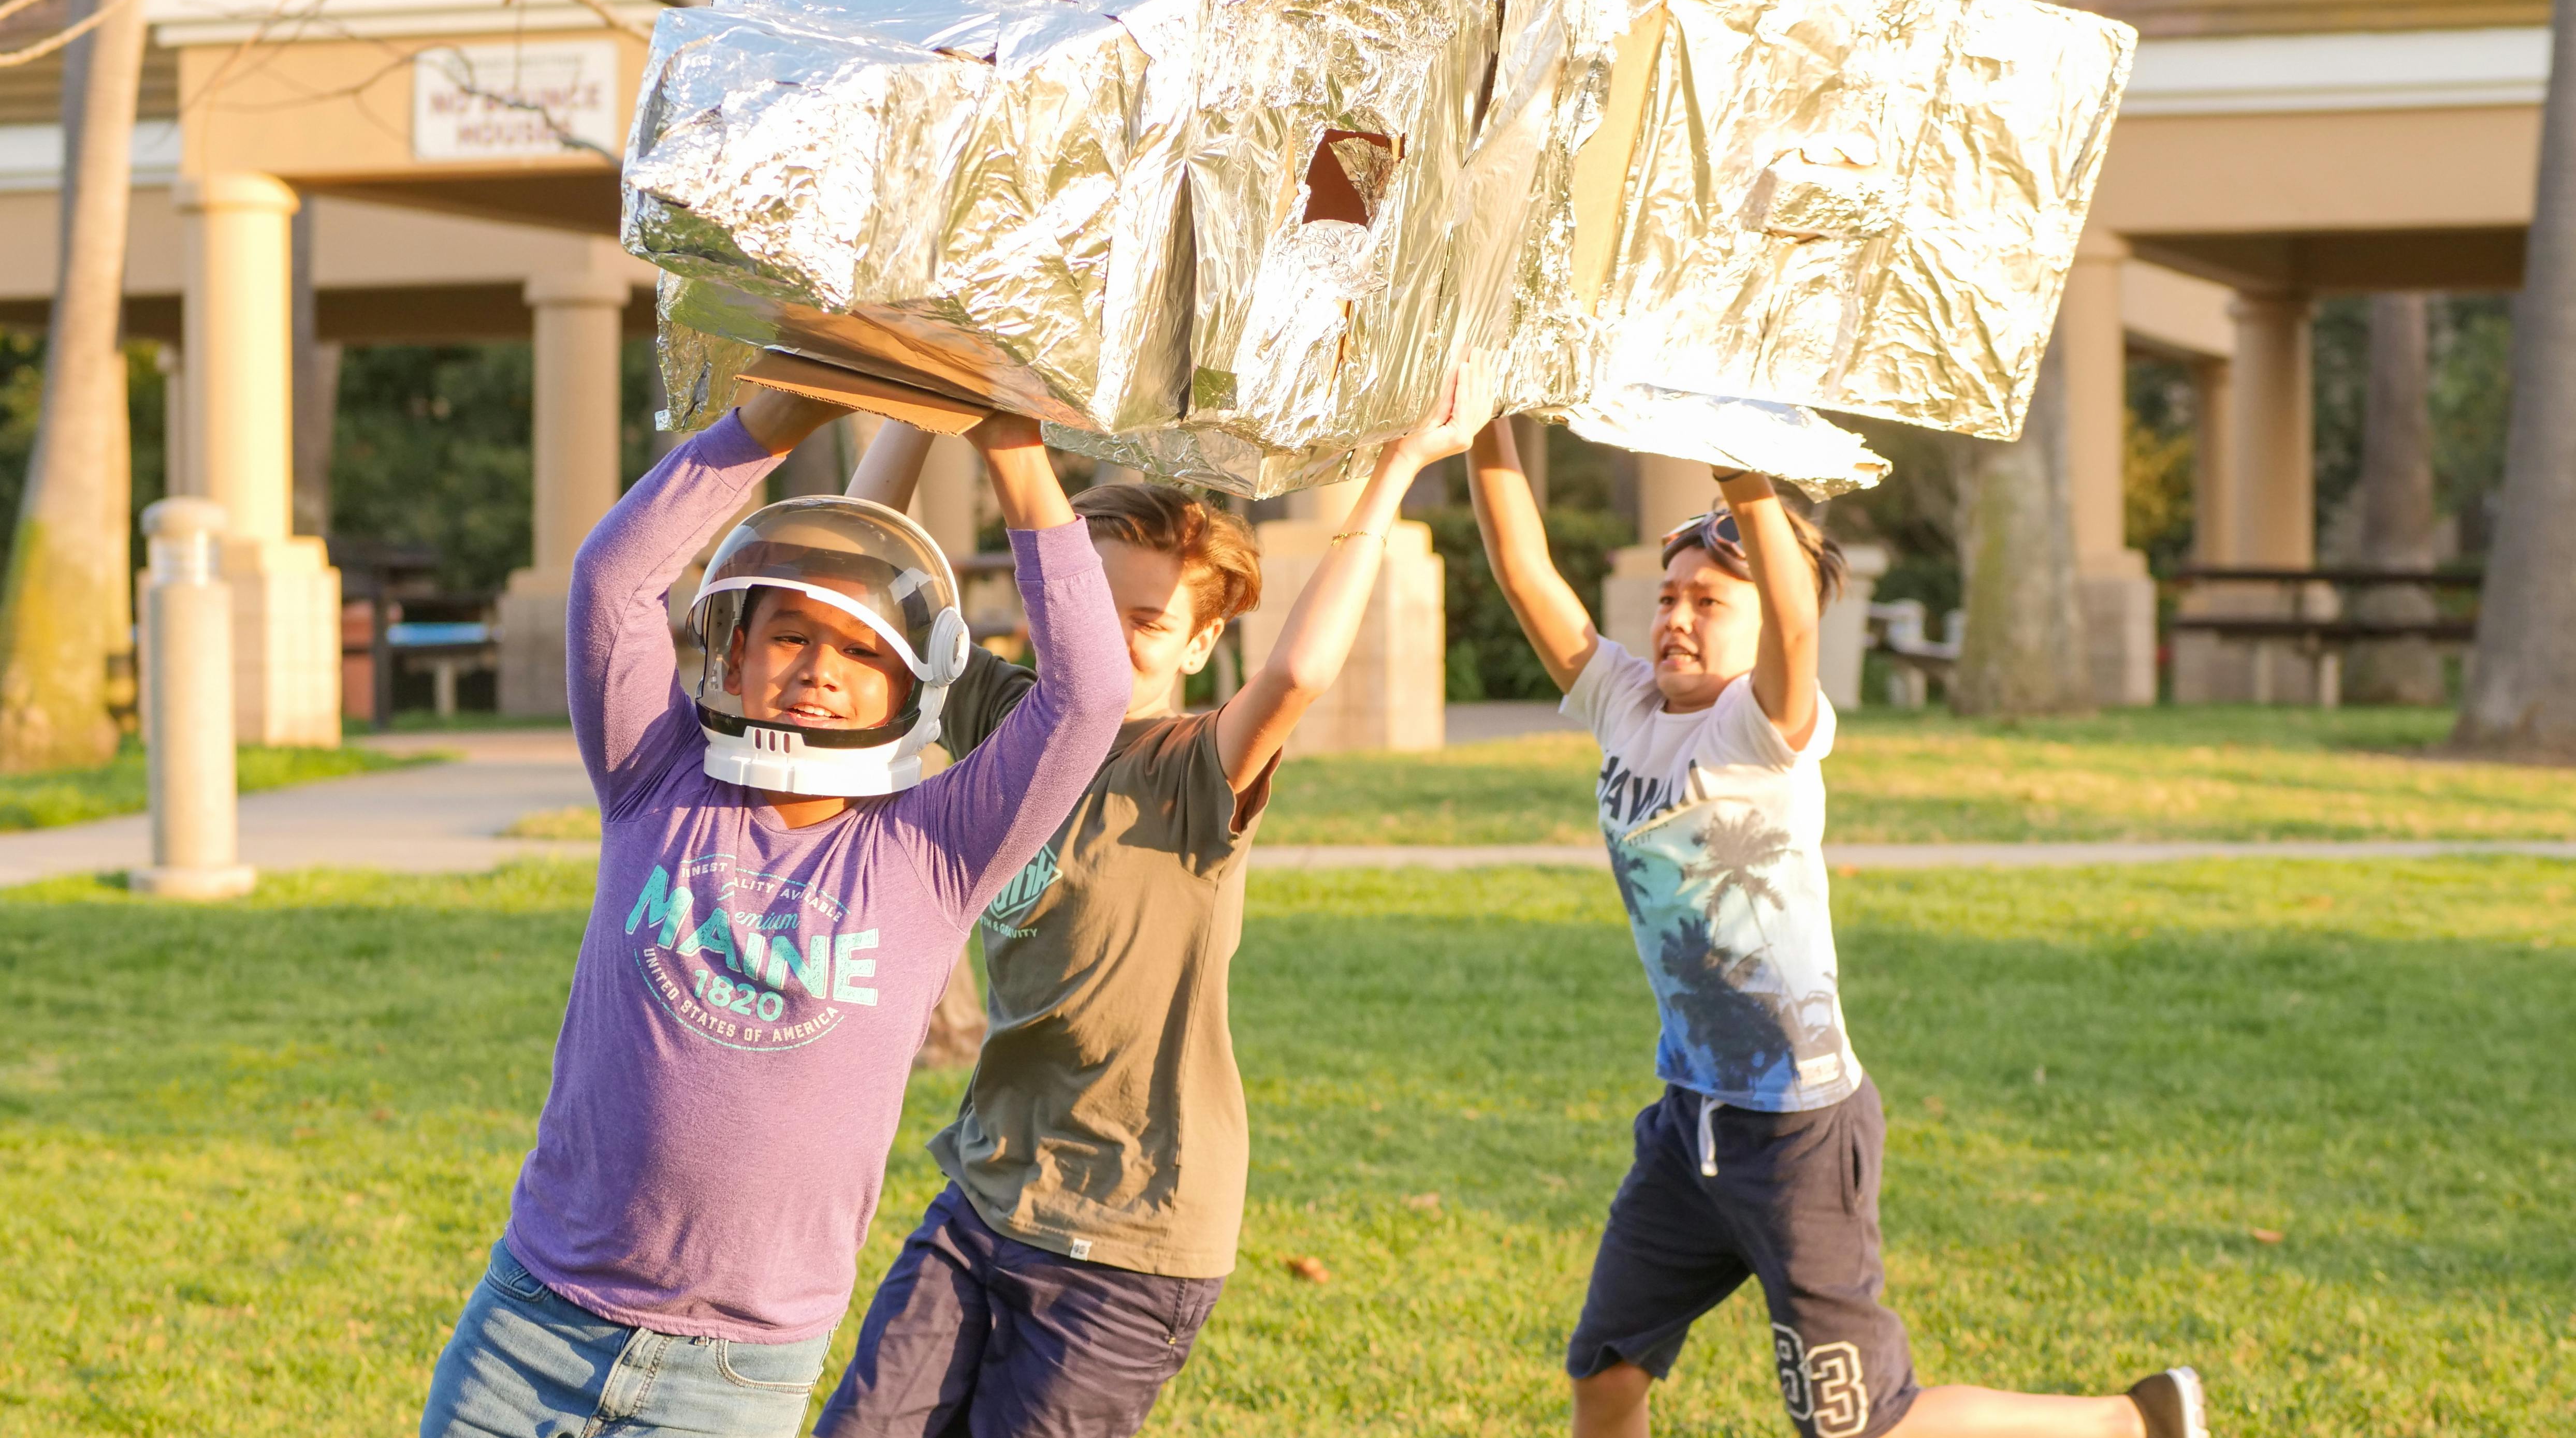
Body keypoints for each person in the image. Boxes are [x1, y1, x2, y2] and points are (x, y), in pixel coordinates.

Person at [1465, 424, 2208, 1438]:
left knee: (1864, 1426)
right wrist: (1482, 420)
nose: (1676, 619)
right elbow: (1521, 565)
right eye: (1667, 597)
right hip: (1690, 1125)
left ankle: (2132, 1421)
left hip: (1799, 1134)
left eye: (1708, 602)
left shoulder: (1765, 726)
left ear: (1767, 619)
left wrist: (1734, 460)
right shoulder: (1623, 703)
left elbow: (1796, 633)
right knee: (1604, 1374)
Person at [416, 389, 1131, 1438]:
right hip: (534, 1323)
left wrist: (1014, 451)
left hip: (736, 1373)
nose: (816, 671)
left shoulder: (936, 848)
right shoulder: (653, 776)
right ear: (734, 654)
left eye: (859, 652)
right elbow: (612, 583)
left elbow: (1087, 699)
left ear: (912, 687)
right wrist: (779, 416)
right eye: (789, 634)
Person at [810, 362, 1498, 1438]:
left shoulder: (1189, 770)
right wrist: (918, 397)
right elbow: (863, 583)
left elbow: (1299, 677)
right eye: (1085, 604)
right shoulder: (1002, 714)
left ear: (1199, 641)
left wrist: (1394, 468)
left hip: (1125, 1240)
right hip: (985, 1195)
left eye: (1145, 620)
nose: (1109, 639)